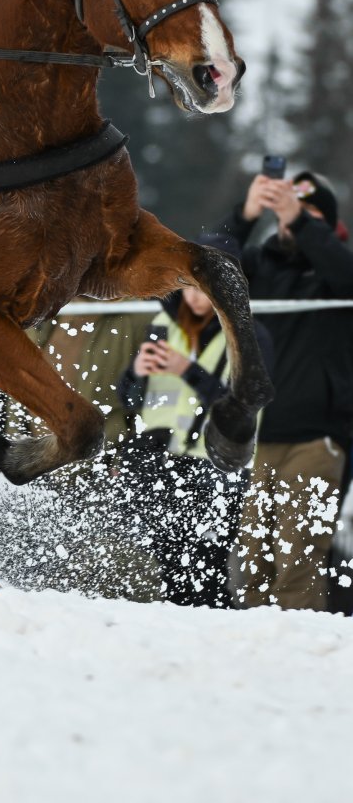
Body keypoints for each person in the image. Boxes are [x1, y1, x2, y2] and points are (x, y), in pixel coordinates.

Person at [218, 169, 353, 610]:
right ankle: (261, 657)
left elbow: (344, 273)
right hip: (263, 440)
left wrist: (301, 219)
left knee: (298, 559)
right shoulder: (259, 265)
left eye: (310, 215)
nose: (291, 222)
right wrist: (246, 213)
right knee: (252, 563)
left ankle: (300, 658)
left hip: (319, 440)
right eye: (287, 212)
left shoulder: (337, 271)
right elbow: (203, 267)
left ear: (327, 225)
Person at [115, 232, 273, 608]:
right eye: (189, 285)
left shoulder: (253, 336)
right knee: (172, 569)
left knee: (209, 569)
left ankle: (219, 637)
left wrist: (188, 370)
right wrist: (136, 372)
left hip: (217, 466)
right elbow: (131, 400)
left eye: (207, 288)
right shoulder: (161, 324)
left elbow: (244, 406)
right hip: (160, 461)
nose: (196, 296)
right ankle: (189, 645)